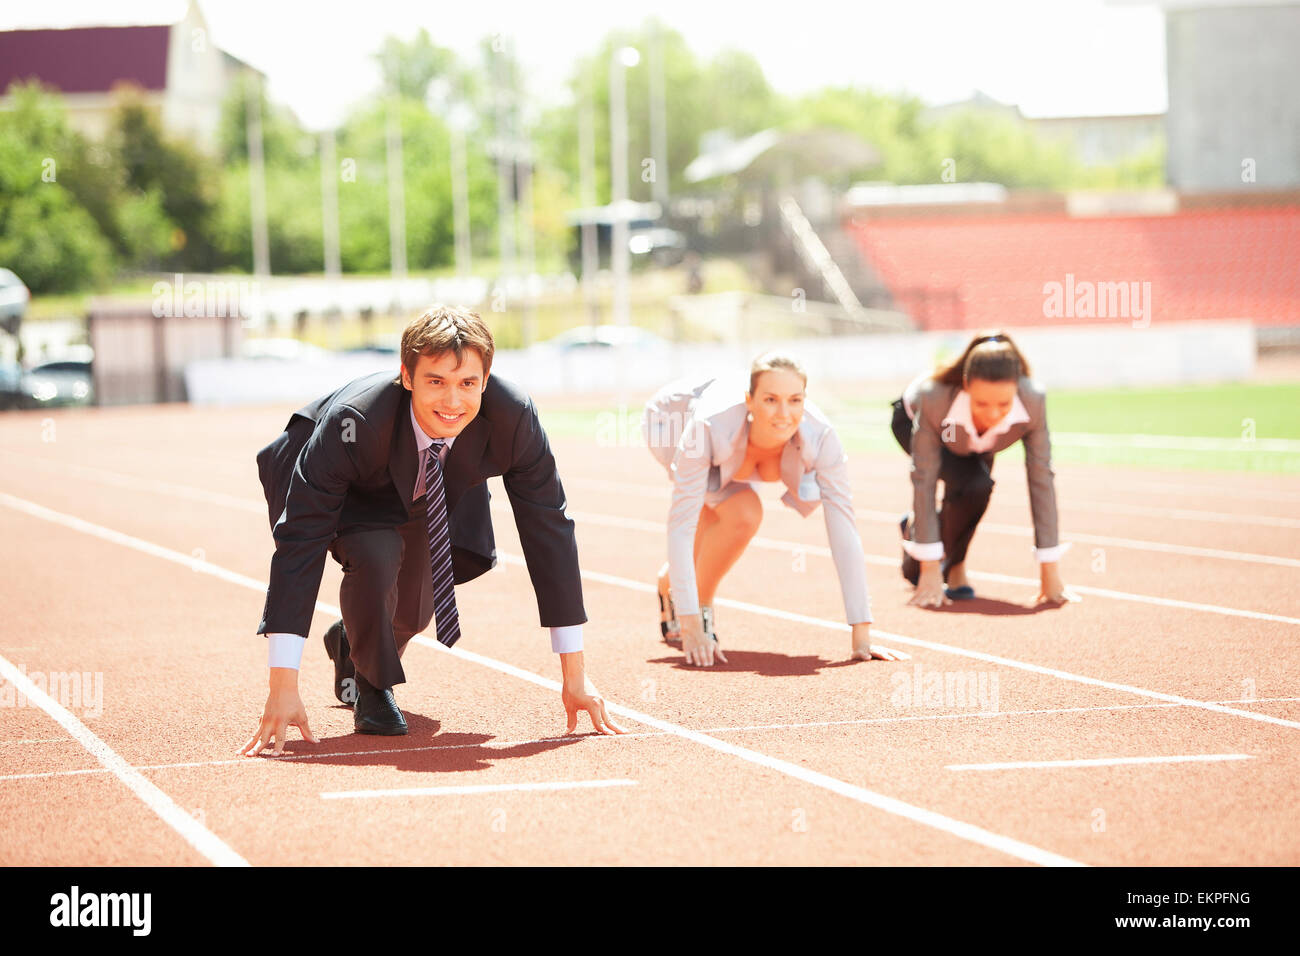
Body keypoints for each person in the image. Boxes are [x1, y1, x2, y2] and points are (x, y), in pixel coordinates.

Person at [240, 305, 626, 755]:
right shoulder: (355, 422)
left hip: (428, 487)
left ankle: (352, 640)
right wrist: (283, 684)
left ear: (486, 379)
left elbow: (549, 526)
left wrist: (574, 676)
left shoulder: (513, 416)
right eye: (435, 381)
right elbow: (299, 543)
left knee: (413, 613)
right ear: (407, 376)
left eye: (467, 383)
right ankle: (372, 687)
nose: (452, 401)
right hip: (351, 486)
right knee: (377, 552)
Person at [643, 352, 909, 667]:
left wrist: (862, 634)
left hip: (732, 440)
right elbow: (681, 523)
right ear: (750, 400)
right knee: (741, 512)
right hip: (671, 419)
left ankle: (672, 581)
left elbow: (843, 526)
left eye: (795, 400)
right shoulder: (706, 427)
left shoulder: (821, 435)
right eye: (771, 399)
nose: (784, 413)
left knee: (727, 511)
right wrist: (691, 622)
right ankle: (699, 605)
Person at [891, 331, 1079, 609]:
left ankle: (950, 563)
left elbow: (1042, 478)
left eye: (1003, 405)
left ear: (1017, 388)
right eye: (982, 403)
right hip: (922, 424)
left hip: (978, 440)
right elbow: (924, 479)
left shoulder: (1033, 401)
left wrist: (1050, 572)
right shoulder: (934, 397)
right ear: (966, 385)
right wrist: (929, 569)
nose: (992, 414)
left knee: (977, 489)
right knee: (970, 485)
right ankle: (928, 561)